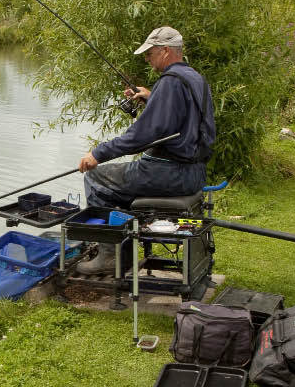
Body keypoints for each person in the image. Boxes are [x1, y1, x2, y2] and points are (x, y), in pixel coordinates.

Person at [75, 25, 215, 275]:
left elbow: (143, 135)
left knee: (97, 179)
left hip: (168, 172)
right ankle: (122, 251)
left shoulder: (170, 83)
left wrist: (98, 154)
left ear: (164, 51)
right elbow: (182, 119)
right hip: (195, 172)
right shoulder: (194, 78)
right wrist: (152, 98)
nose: (148, 60)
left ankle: (111, 257)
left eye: (150, 54)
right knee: (119, 184)